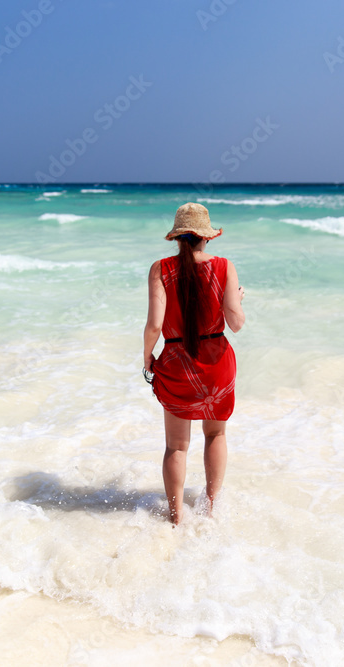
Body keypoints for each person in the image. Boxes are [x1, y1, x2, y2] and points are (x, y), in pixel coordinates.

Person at [143, 203, 245, 525]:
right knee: (215, 436)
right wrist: (237, 300)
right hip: (216, 366)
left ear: (176, 238)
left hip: (176, 363)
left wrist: (147, 356)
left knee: (176, 446)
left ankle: (176, 519)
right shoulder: (225, 267)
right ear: (208, 237)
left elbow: (155, 326)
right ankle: (211, 509)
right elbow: (236, 324)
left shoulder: (160, 269)